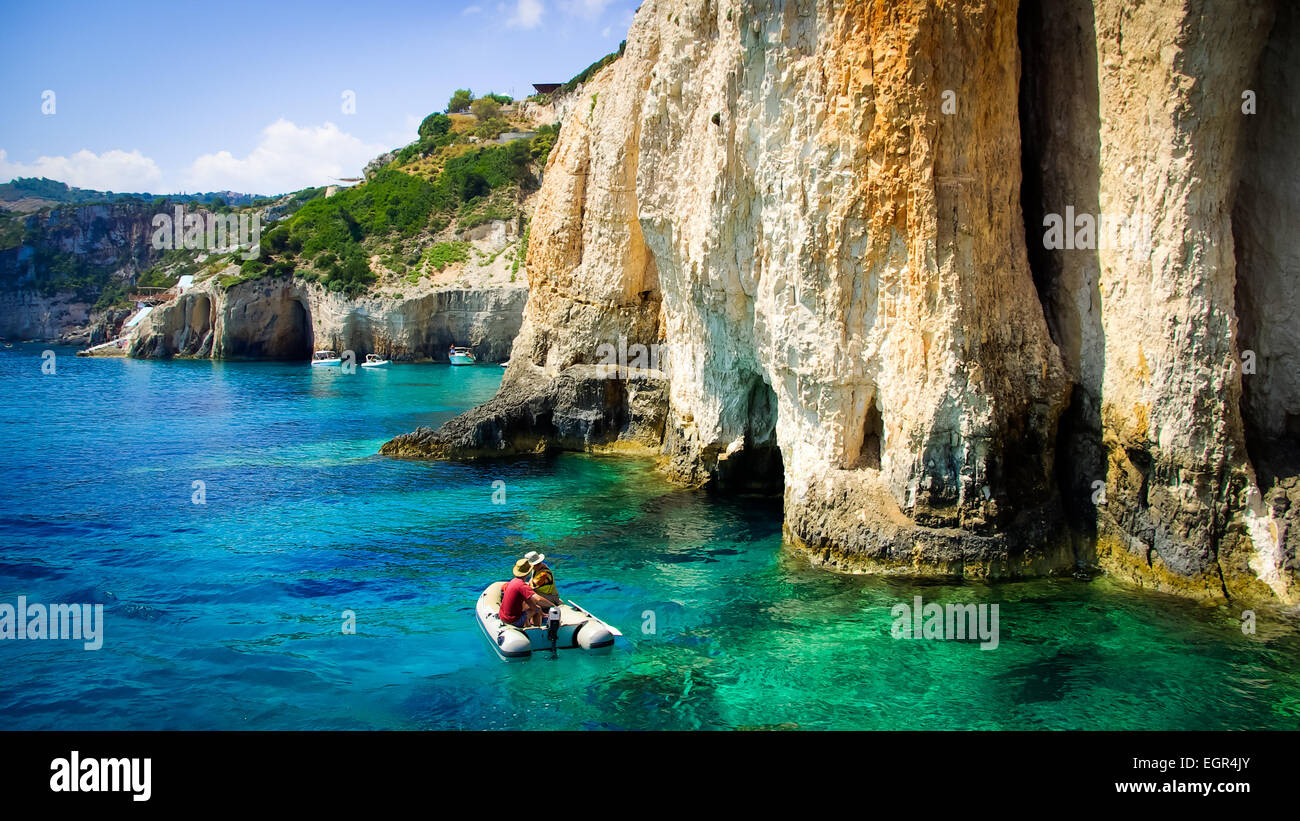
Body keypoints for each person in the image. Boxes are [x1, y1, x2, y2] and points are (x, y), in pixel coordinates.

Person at [498, 558, 549, 628]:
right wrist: (554, 606)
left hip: (503, 616)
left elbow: (528, 601)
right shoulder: (522, 586)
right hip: (513, 620)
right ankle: (536, 631)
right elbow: (538, 599)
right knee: (536, 611)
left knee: (536, 608)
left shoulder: (513, 581)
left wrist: (538, 609)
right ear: (528, 573)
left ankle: (528, 625)